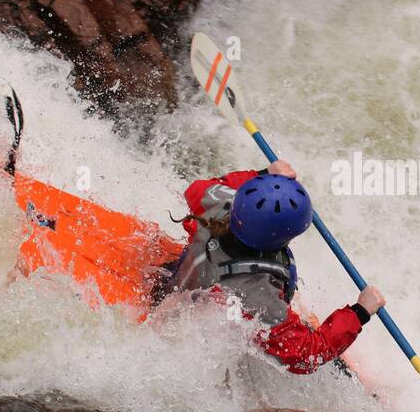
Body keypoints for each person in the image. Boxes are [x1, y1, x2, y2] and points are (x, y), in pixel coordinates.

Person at [160, 160, 386, 374]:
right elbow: (305, 354)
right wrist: (360, 312)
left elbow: (196, 189)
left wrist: (263, 175)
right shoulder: (258, 291)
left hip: (179, 286)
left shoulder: (217, 204)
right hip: (210, 323)